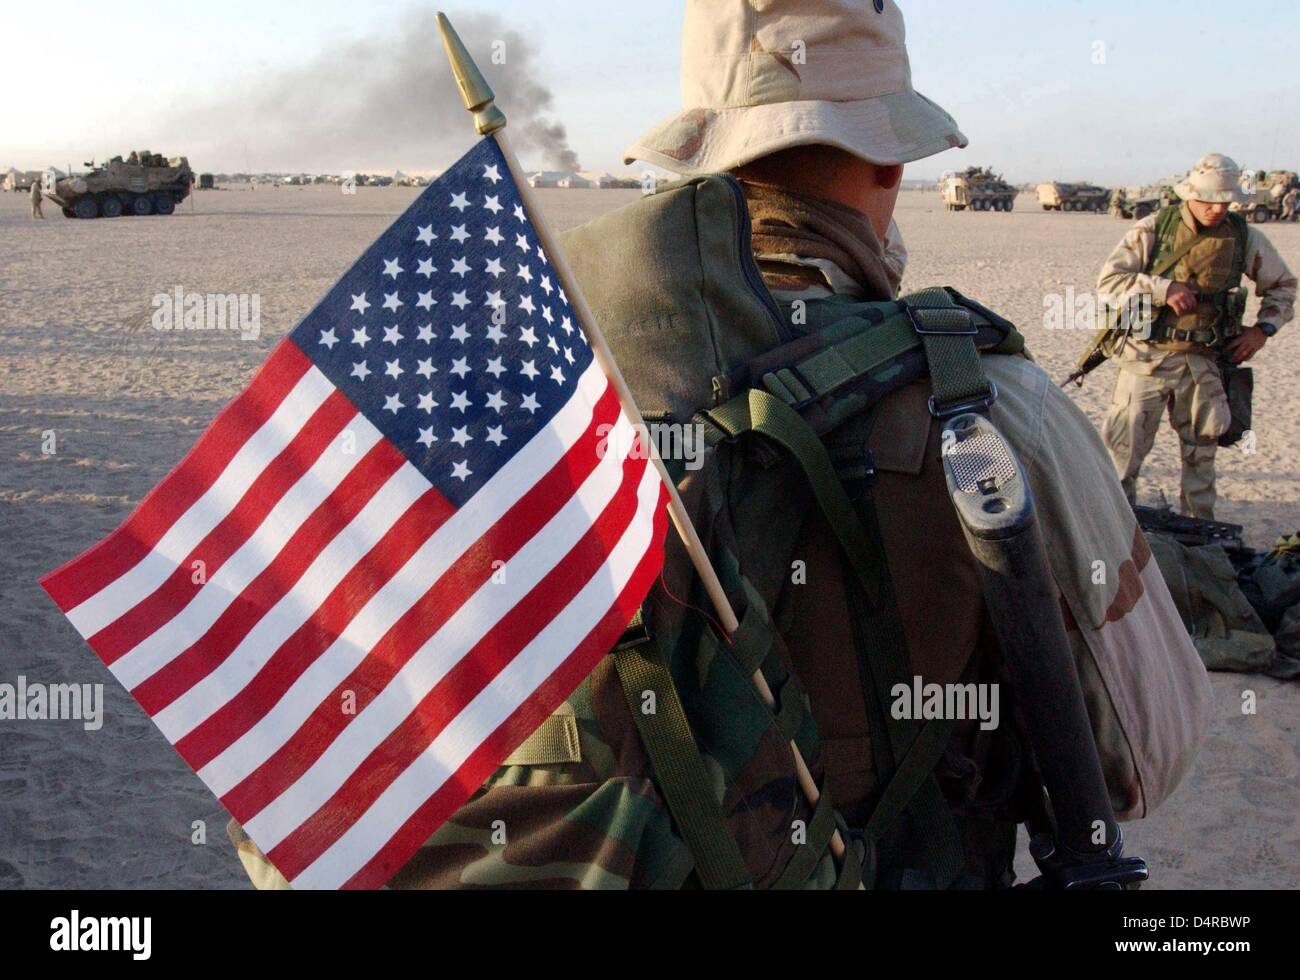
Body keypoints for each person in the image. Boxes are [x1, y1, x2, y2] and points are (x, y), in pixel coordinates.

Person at [230, 0, 1211, 891]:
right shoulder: (990, 401)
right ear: (888, 159)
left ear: (699, 151)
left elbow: (325, 726)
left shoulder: (508, 379)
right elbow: (1138, 760)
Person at [1098, 153, 1296, 519]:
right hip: (1146, 361)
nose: (1216, 210)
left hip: (1203, 365)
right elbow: (1109, 283)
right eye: (1208, 201)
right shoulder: (1154, 228)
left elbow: (1283, 286)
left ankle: (1200, 544)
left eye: (1224, 202)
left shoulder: (1244, 236)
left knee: (1201, 462)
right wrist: (1162, 288)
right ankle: (1119, 537)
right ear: (1190, 194)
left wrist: (1262, 330)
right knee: (1121, 457)